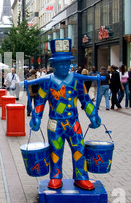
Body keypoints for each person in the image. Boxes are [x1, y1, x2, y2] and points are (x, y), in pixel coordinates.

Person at [29, 39, 102, 191]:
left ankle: (81, 176)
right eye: (59, 63)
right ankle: (55, 176)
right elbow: (40, 101)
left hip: (73, 122)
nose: (63, 66)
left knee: (79, 148)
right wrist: (36, 118)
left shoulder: (76, 81)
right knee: (55, 150)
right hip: (54, 123)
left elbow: (85, 100)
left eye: (66, 63)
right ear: (53, 65)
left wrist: (93, 115)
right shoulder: (47, 82)